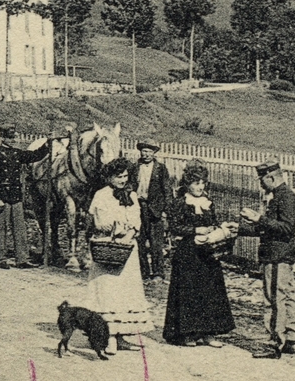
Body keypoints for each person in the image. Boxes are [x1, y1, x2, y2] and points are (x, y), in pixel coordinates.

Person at [162, 160, 236, 347]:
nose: (200, 187)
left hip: (207, 253)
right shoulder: (180, 202)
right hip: (187, 253)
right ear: (188, 184)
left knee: (209, 291)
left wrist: (217, 230)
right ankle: (188, 333)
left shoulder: (208, 202)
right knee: (189, 292)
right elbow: (175, 227)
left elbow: (214, 221)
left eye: (203, 183)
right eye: (196, 183)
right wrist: (196, 230)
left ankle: (208, 333)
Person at [86, 157, 152, 354]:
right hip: (107, 247)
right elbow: (99, 221)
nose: (123, 180)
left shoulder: (131, 195)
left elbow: (136, 220)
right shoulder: (101, 195)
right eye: (118, 176)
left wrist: (129, 234)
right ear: (109, 177)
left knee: (126, 292)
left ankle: (122, 334)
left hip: (126, 249)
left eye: (125, 176)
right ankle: (109, 336)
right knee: (108, 292)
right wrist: (113, 229)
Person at [240, 159, 295, 358]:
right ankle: (291, 339)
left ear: (271, 177)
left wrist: (259, 218)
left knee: (274, 299)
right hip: (281, 255)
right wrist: (240, 229)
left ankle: (274, 343)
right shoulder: (279, 197)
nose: (260, 184)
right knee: (286, 296)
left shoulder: (285, 197)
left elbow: (286, 228)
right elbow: (269, 227)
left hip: (276, 256)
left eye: (261, 180)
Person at [0, 126, 52, 269]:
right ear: (2, 137)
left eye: (14, 137)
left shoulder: (17, 153)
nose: (13, 140)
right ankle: (1, 259)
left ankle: (21, 259)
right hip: (1, 197)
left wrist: (47, 144)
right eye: (10, 137)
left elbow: (34, 155)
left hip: (15, 196)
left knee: (19, 228)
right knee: (1, 229)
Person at [128, 139, 173, 280]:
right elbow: (129, 186)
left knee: (156, 243)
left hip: (155, 209)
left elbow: (167, 190)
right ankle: (143, 272)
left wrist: (166, 210)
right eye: (144, 151)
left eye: (149, 151)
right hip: (139, 207)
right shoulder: (134, 167)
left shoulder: (160, 168)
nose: (146, 154)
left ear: (154, 153)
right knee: (140, 241)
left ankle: (158, 272)